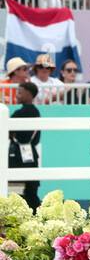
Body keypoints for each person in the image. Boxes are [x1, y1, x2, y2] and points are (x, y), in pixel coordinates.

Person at [9, 80, 39, 209]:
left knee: (16, 191)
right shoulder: (37, 113)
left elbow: (9, 134)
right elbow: (36, 139)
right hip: (31, 155)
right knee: (31, 189)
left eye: (20, 93)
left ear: (29, 95)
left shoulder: (18, 114)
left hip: (16, 156)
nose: (17, 95)